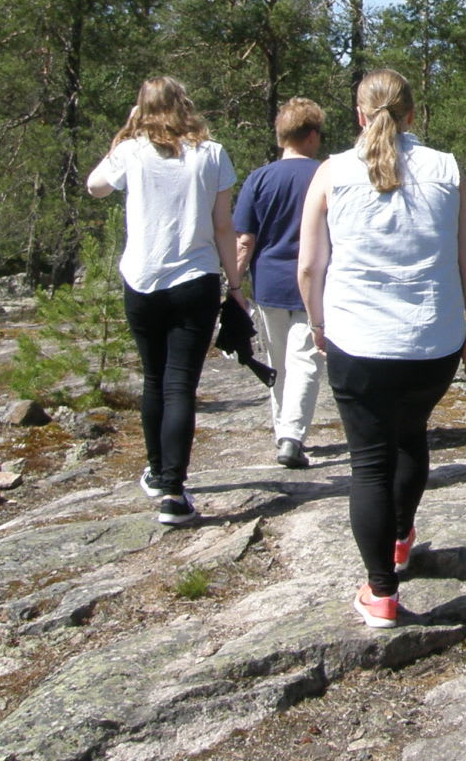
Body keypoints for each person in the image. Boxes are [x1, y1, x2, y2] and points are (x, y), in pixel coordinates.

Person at [297, 69, 466, 629]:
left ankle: (381, 592)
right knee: (410, 436)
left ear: (359, 115)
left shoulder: (332, 172)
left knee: (369, 464)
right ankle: (401, 539)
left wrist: (318, 324)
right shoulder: (448, 169)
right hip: (432, 342)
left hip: (356, 340)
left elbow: (309, 266)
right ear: (412, 115)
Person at [86, 77, 242, 526]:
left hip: (141, 280)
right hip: (195, 280)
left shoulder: (131, 152)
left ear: (141, 109)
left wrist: (124, 133)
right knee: (180, 385)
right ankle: (173, 491)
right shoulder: (211, 154)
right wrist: (235, 286)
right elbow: (223, 226)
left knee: (154, 379)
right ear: (184, 105)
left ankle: (158, 474)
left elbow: (95, 186)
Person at [233, 97, 327, 470]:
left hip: (268, 284)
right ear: (311, 135)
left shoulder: (259, 178)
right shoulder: (326, 175)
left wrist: (233, 286)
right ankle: (292, 436)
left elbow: (245, 240)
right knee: (306, 359)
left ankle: (283, 431)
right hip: (315, 282)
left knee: (278, 361)